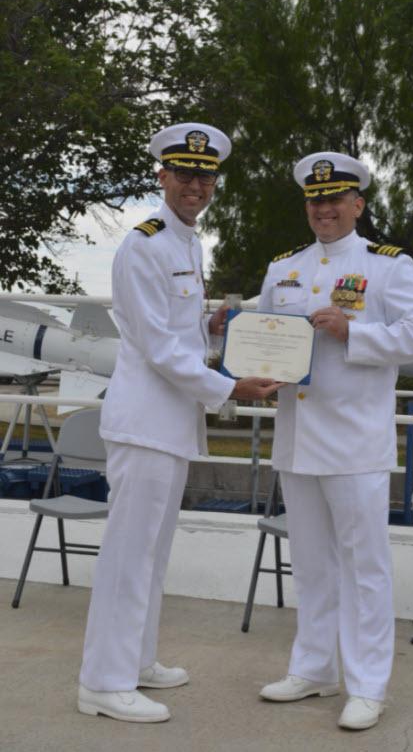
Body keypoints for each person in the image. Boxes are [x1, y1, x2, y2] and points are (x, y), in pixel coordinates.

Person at [78, 122, 281, 723]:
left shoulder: (187, 241)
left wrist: (213, 330)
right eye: (184, 174)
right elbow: (157, 348)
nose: (195, 185)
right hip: (144, 422)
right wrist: (230, 387)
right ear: (161, 176)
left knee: (152, 552)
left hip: (169, 423)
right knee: (128, 553)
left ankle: (136, 660)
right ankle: (102, 682)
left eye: (205, 176)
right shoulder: (143, 244)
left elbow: (176, 332)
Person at [257, 151, 413, 730]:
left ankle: (367, 685)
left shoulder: (389, 265)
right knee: (310, 562)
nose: (324, 209)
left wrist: (354, 328)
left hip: (355, 441)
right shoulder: (283, 267)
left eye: (335, 199)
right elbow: (265, 335)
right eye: (315, 200)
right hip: (297, 436)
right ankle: (314, 669)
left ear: (358, 204)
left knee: (364, 567)